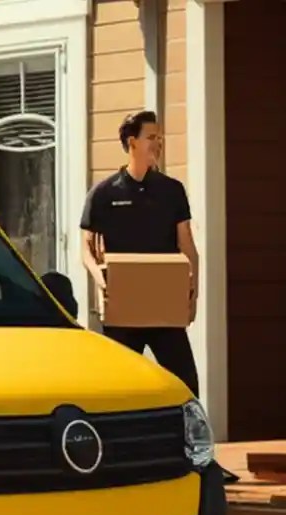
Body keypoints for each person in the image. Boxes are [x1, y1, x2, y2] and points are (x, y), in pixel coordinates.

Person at [79, 110, 238, 483]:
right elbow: (86, 246)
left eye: (160, 137)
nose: (158, 143)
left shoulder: (171, 190)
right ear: (132, 141)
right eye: (152, 137)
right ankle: (114, 461)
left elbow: (188, 245)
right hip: (122, 308)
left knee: (186, 384)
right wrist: (98, 276)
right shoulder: (104, 194)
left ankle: (202, 461)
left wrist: (193, 293)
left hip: (163, 306)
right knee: (114, 389)